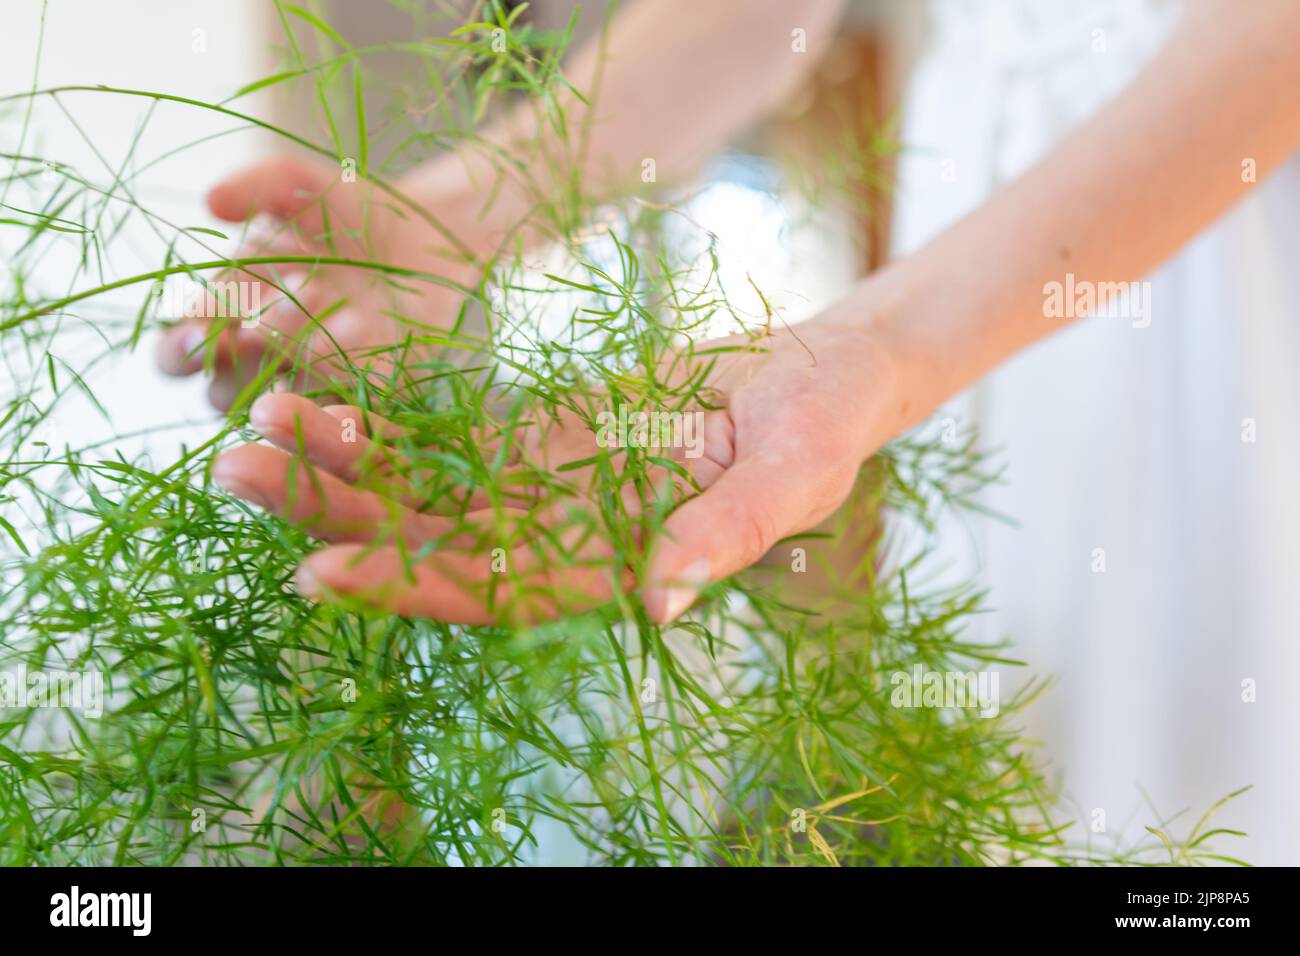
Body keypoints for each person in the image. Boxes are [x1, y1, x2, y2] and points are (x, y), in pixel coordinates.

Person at [161, 0, 1300, 859]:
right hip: (985, 227)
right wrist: (463, 210)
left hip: (1217, 221)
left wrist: (884, 345)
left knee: (1203, 797)